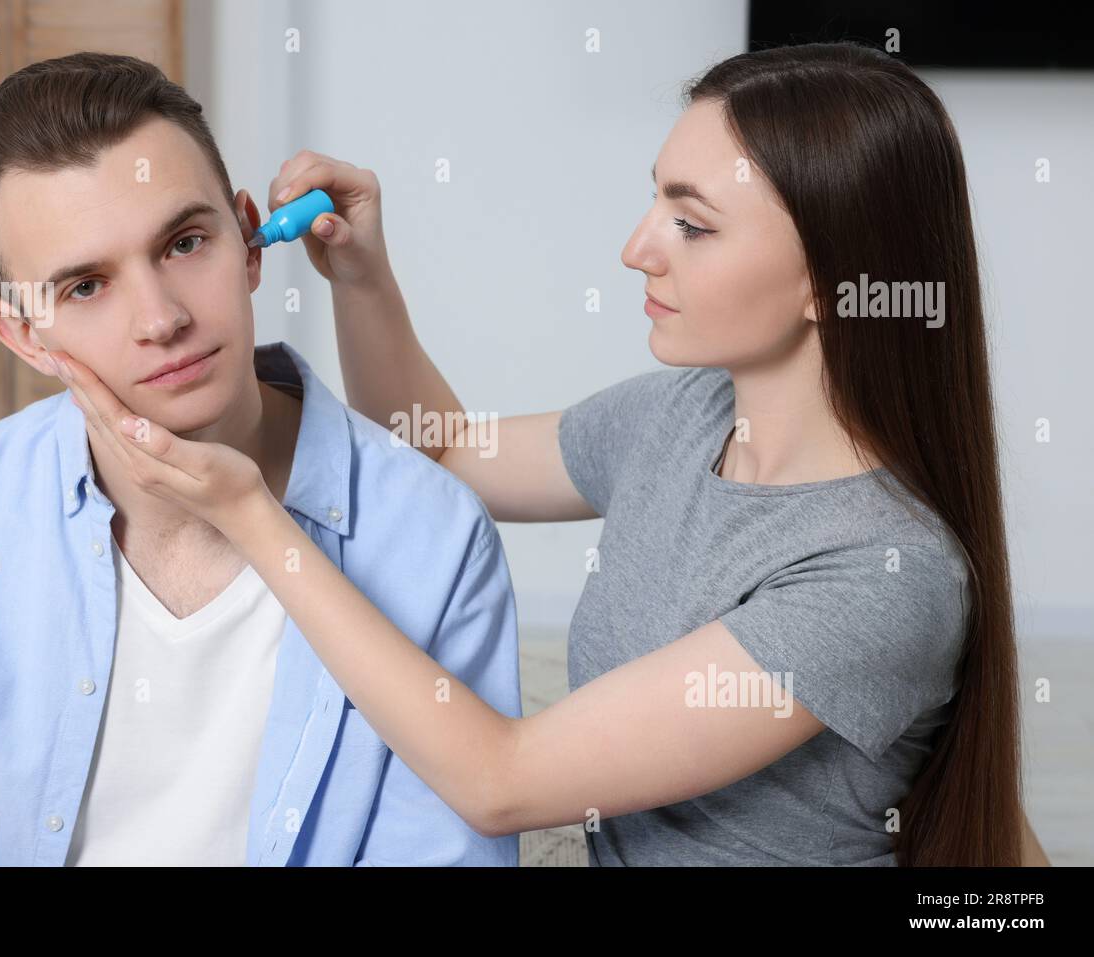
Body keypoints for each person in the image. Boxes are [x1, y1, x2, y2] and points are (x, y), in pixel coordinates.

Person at [60, 42, 1050, 865]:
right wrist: (360, 278)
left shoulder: (878, 579)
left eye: (691, 224)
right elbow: (439, 454)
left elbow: (503, 784)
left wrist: (251, 520)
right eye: (655, 202)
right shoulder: (684, 419)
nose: (636, 248)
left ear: (831, 281)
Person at [0, 53, 522, 867]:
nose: (161, 318)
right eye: (85, 287)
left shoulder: (435, 541)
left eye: (184, 243)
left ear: (249, 243)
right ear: (23, 335)